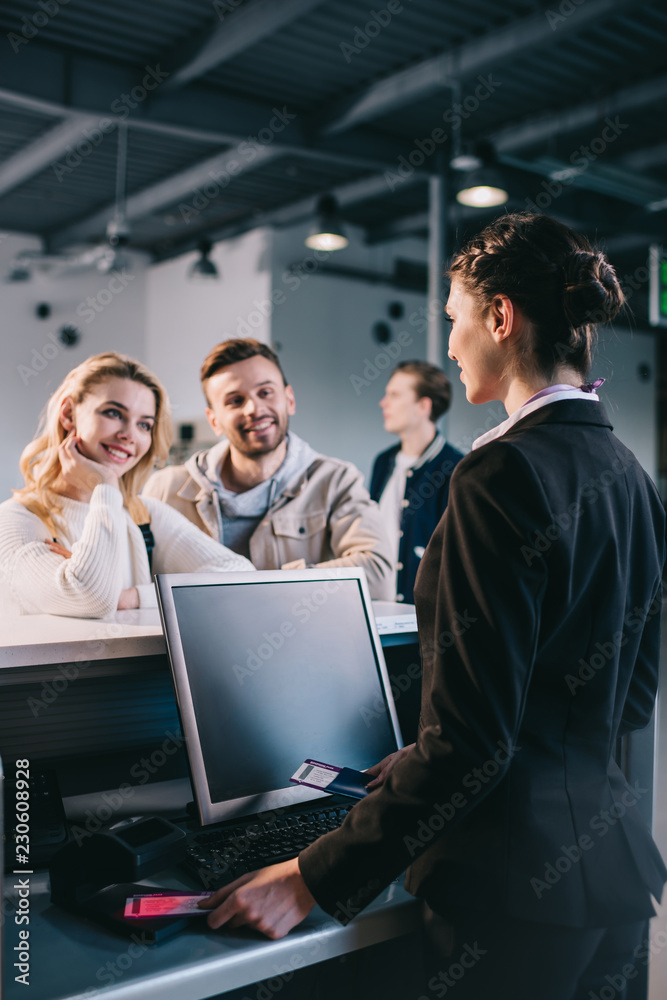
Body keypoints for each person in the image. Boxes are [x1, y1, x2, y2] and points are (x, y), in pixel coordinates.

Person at [198, 213, 667, 1000]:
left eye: (453, 319)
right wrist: (433, 752)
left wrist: (308, 878)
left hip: (507, 899)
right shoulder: (629, 474)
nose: (448, 344)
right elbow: (631, 695)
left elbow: (473, 747)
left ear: (499, 317)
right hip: (607, 880)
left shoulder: (498, 476)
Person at [0, 352, 253, 618]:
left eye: (144, 424)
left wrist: (134, 596)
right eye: (113, 413)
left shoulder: (144, 515)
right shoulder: (14, 521)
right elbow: (91, 597)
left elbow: (240, 576)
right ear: (68, 414)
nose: (129, 435)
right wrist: (105, 487)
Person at [143, 339, 393, 599]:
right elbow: (139, 580)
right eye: (235, 401)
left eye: (265, 393)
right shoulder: (165, 489)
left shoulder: (336, 481)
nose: (254, 409)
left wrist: (265, 587)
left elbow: (378, 574)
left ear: (290, 400)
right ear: (214, 420)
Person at [370, 361, 464, 603]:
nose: (383, 402)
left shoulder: (456, 469)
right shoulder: (383, 462)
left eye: (394, 395)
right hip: (379, 607)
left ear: (423, 406)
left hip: (422, 617)